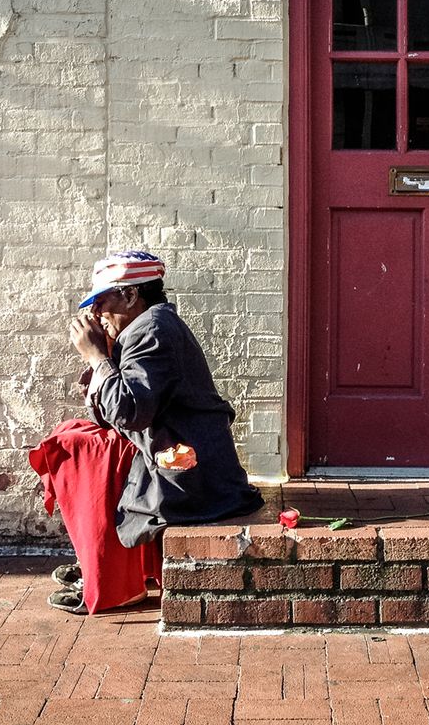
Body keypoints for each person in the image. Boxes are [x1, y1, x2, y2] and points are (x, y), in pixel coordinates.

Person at [29, 250, 264, 614]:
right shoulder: (145, 326)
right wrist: (104, 360)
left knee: (77, 448)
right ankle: (108, 568)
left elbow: (128, 413)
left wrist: (97, 360)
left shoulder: (150, 330)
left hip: (194, 476)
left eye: (101, 300)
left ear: (130, 295)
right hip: (175, 455)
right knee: (78, 435)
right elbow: (116, 415)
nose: (95, 313)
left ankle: (113, 581)